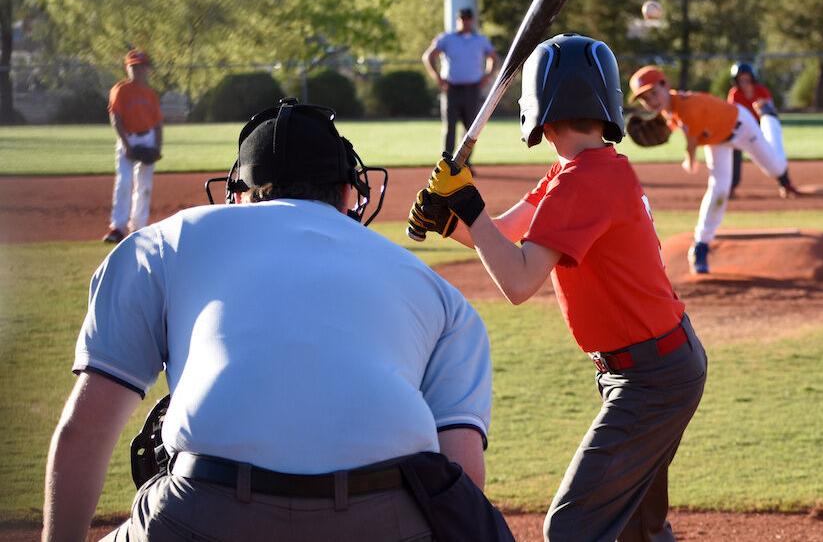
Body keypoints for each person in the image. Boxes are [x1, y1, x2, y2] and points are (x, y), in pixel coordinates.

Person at [44, 98, 511, 542]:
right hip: (388, 519)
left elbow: (85, 430)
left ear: (237, 194)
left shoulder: (163, 243)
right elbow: (459, 482)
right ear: (351, 192)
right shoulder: (439, 294)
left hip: (204, 512)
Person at [408, 34, 707, 542]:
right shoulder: (579, 172)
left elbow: (519, 281)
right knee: (638, 528)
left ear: (540, 116)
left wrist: (470, 206)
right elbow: (503, 236)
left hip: (651, 378)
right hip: (658, 366)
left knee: (572, 528)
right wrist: (451, 221)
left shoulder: (581, 182)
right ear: (606, 105)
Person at [629, 65, 802, 274]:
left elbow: (691, 143)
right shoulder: (671, 110)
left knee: (776, 168)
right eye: (645, 99)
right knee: (719, 188)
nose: (651, 101)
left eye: (654, 93)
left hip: (741, 126)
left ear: (666, 85)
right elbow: (677, 124)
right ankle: (701, 245)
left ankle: (769, 118)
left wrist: (689, 161)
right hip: (716, 140)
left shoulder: (686, 107)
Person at [422, 7, 500, 168]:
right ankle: (447, 163)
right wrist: (437, 77)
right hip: (452, 89)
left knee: (471, 128)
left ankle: (464, 163)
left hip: (472, 89)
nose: (465, 22)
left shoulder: (480, 40)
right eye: (462, 19)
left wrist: (487, 75)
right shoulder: (447, 39)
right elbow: (428, 56)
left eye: (468, 19)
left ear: (472, 20)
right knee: (450, 127)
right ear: (458, 20)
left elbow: (494, 58)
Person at [103, 49, 163, 243]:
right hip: (128, 138)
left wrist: (157, 146)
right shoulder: (120, 90)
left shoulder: (150, 94)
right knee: (124, 182)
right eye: (134, 67)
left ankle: (138, 227)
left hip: (147, 138)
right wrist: (127, 145)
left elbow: (157, 123)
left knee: (144, 186)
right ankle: (117, 227)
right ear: (127, 68)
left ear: (147, 69)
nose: (138, 70)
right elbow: (116, 118)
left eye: (141, 67)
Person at [725, 62, 778, 199]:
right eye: (740, 79)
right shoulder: (735, 94)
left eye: (746, 78)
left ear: (752, 78)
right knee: (734, 150)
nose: (744, 82)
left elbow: (772, 113)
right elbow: (732, 116)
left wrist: (763, 109)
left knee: (773, 152)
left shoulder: (761, 91)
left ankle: (786, 184)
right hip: (742, 130)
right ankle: (731, 188)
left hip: (760, 128)